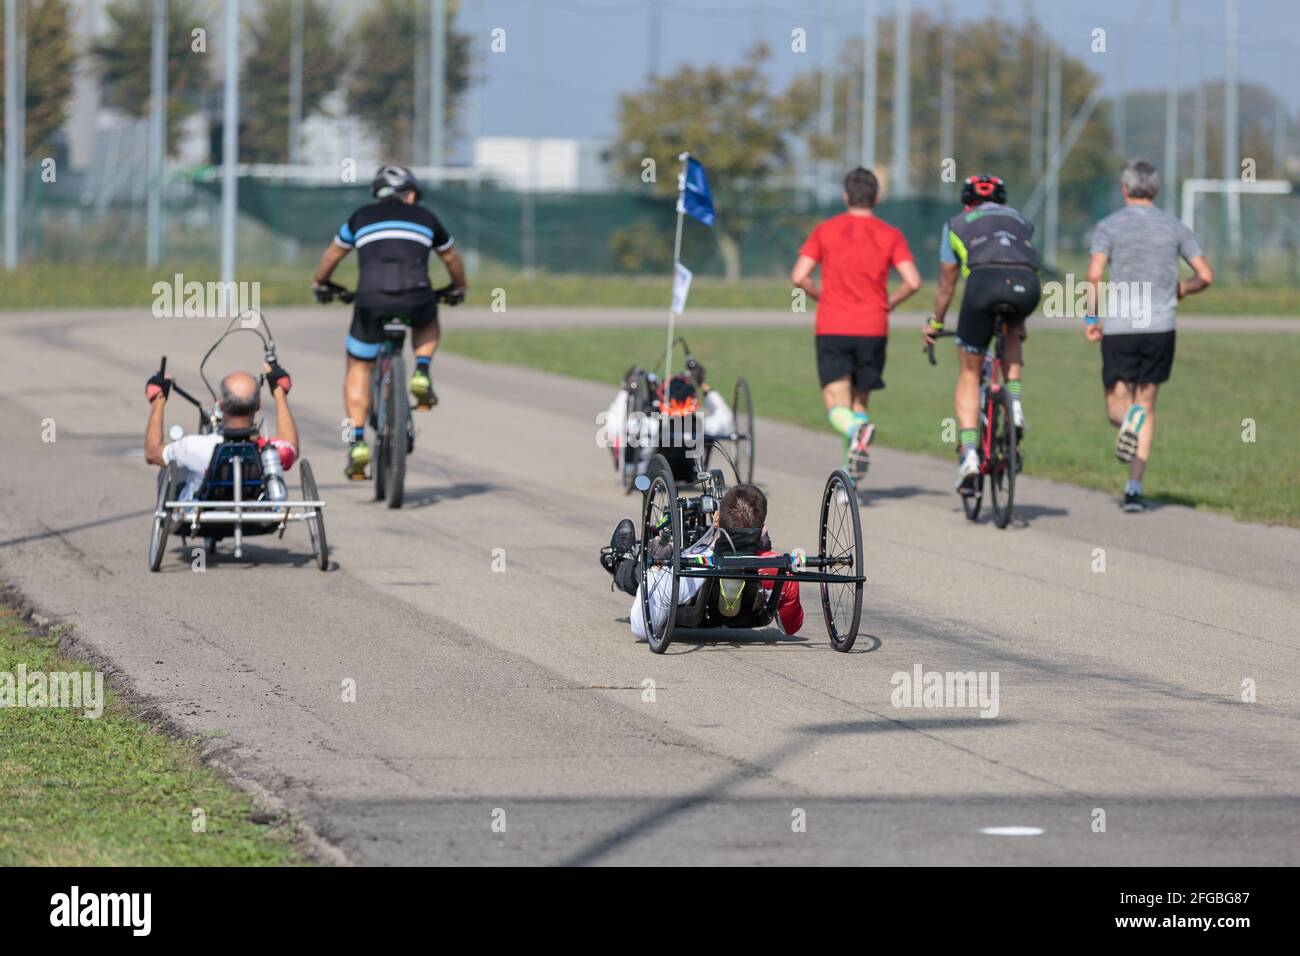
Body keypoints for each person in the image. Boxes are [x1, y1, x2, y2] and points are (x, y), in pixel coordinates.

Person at [311, 163, 468, 478]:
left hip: (370, 299)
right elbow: (450, 257)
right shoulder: (427, 218)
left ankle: (356, 442)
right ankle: (421, 372)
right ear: (410, 195)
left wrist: (321, 283)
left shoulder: (360, 217)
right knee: (428, 320)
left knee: (358, 365)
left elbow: (331, 255)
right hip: (416, 295)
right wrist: (458, 287)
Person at [1085, 159, 1213, 513]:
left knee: (1116, 407)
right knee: (1146, 406)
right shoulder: (1174, 227)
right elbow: (1206, 274)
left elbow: (1095, 274)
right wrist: (1183, 289)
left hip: (1121, 326)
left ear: (1124, 189)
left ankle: (1129, 425)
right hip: (1160, 326)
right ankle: (1134, 490)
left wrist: (1092, 316)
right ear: (1154, 190)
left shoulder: (1109, 226)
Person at [792, 167, 922, 481]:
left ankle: (856, 431)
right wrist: (888, 303)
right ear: (876, 198)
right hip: (873, 328)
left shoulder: (825, 230)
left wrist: (820, 296)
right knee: (859, 401)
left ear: (846, 197)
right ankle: (848, 481)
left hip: (833, 325)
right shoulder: (891, 234)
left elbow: (799, 276)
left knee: (837, 405)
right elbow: (913, 282)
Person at [922, 174, 1040, 489]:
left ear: (966, 201)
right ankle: (1014, 403)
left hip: (983, 286)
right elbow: (1021, 260)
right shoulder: (1020, 220)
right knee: (1013, 334)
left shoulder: (957, 223)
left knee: (970, 372)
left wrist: (935, 323)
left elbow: (947, 287)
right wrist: (1020, 321)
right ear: (1000, 201)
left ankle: (971, 454)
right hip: (1026, 287)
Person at [600, 484, 803, 641]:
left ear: (716, 520)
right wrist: (764, 554)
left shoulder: (687, 569)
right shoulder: (780, 571)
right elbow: (790, 628)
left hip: (689, 595)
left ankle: (621, 562)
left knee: (639, 572)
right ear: (763, 529)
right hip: (749, 606)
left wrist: (654, 569)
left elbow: (641, 628)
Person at [144, 363, 297, 499]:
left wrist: (158, 401)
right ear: (258, 405)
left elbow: (151, 453)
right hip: (256, 518)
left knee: (170, 468)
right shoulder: (270, 452)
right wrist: (279, 393)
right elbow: (290, 445)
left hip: (200, 518)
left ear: (221, 405)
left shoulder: (192, 446)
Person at [603, 360, 735, 478]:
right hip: (688, 472)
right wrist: (703, 385)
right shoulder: (701, 426)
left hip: (647, 472)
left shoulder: (648, 425)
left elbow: (613, 426)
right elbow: (726, 419)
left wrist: (626, 390)